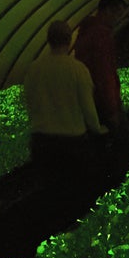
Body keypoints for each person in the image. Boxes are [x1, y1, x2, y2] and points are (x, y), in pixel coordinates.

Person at [23, 20, 107, 176]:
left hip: (42, 142)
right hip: (72, 142)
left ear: (49, 40)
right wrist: (97, 129)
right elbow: (87, 106)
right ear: (69, 41)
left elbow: (28, 100)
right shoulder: (78, 69)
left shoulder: (34, 68)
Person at [73, 0, 128, 133]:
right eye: (118, 14)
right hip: (101, 104)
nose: (119, 20)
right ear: (108, 10)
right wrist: (112, 109)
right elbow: (104, 74)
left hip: (88, 101)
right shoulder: (101, 35)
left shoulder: (85, 32)